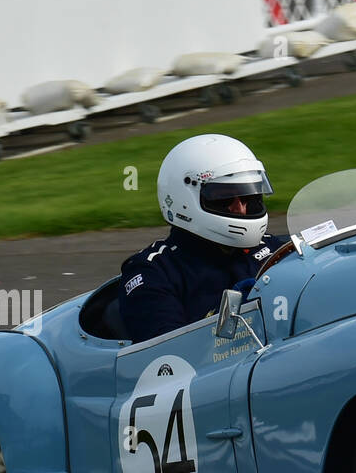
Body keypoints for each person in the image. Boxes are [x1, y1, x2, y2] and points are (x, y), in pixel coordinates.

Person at [120, 134, 287, 341]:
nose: (241, 209)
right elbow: (167, 358)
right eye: (224, 198)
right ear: (184, 202)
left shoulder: (272, 248)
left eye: (249, 197)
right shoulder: (154, 271)